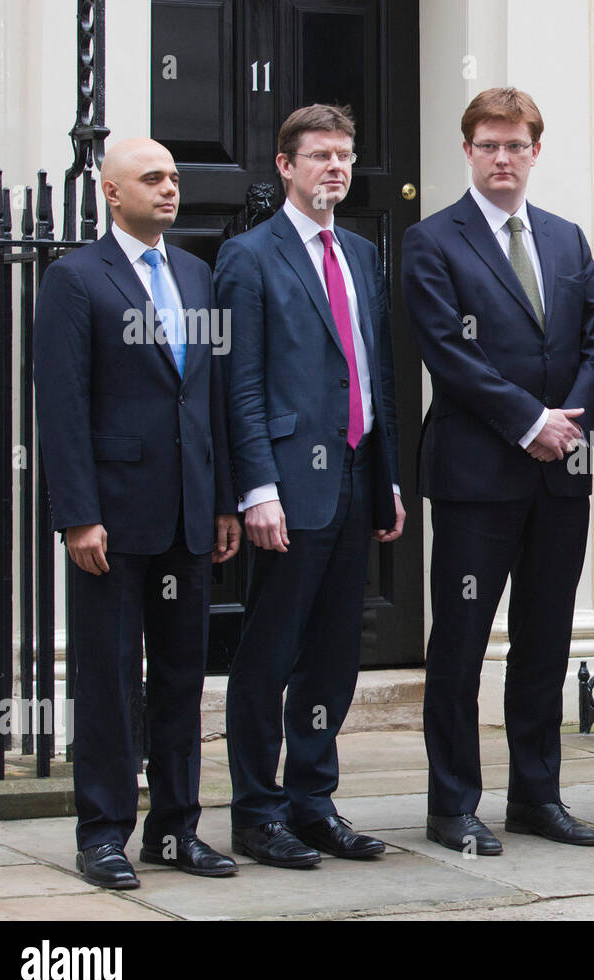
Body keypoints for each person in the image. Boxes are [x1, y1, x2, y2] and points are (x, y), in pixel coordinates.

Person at [401, 87, 594, 855]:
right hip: (475, 478)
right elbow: (449, 356)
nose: (502, 157)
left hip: (561, 476)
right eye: (488, 144)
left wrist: (568, 424)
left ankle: (536, 796)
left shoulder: (565, 239)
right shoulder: (432, 241)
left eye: (516, 145)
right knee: (459, 642)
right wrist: (530, 422)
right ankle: (452, 804)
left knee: (545, 640)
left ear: (535, 150)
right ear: (468, 150)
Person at [35, 137, 241, 888]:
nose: (170, 189)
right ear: (111, 192)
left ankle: (177, 829)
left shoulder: (195, 273)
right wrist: (77, 514)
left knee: (183, 677)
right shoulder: (75, 279)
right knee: (110, 675)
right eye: (152, 178)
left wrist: (223, 500)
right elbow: (60, 406)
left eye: (175, 178)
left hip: (188, 514)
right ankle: (103, 832)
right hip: (112, 521)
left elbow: (208, 396)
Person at [215, 104, 405, 867]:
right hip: (288, 488)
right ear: (286, 167)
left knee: (334, 656)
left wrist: (388, 478)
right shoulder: (249, 257)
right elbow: (241, 385)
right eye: (320, 156)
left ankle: (312, 801)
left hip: (357, 480)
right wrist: (256, 488)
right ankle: (256, 812)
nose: (336, 168)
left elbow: (374, 374)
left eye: (345, 156)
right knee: (269, 654)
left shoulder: (361, 253)